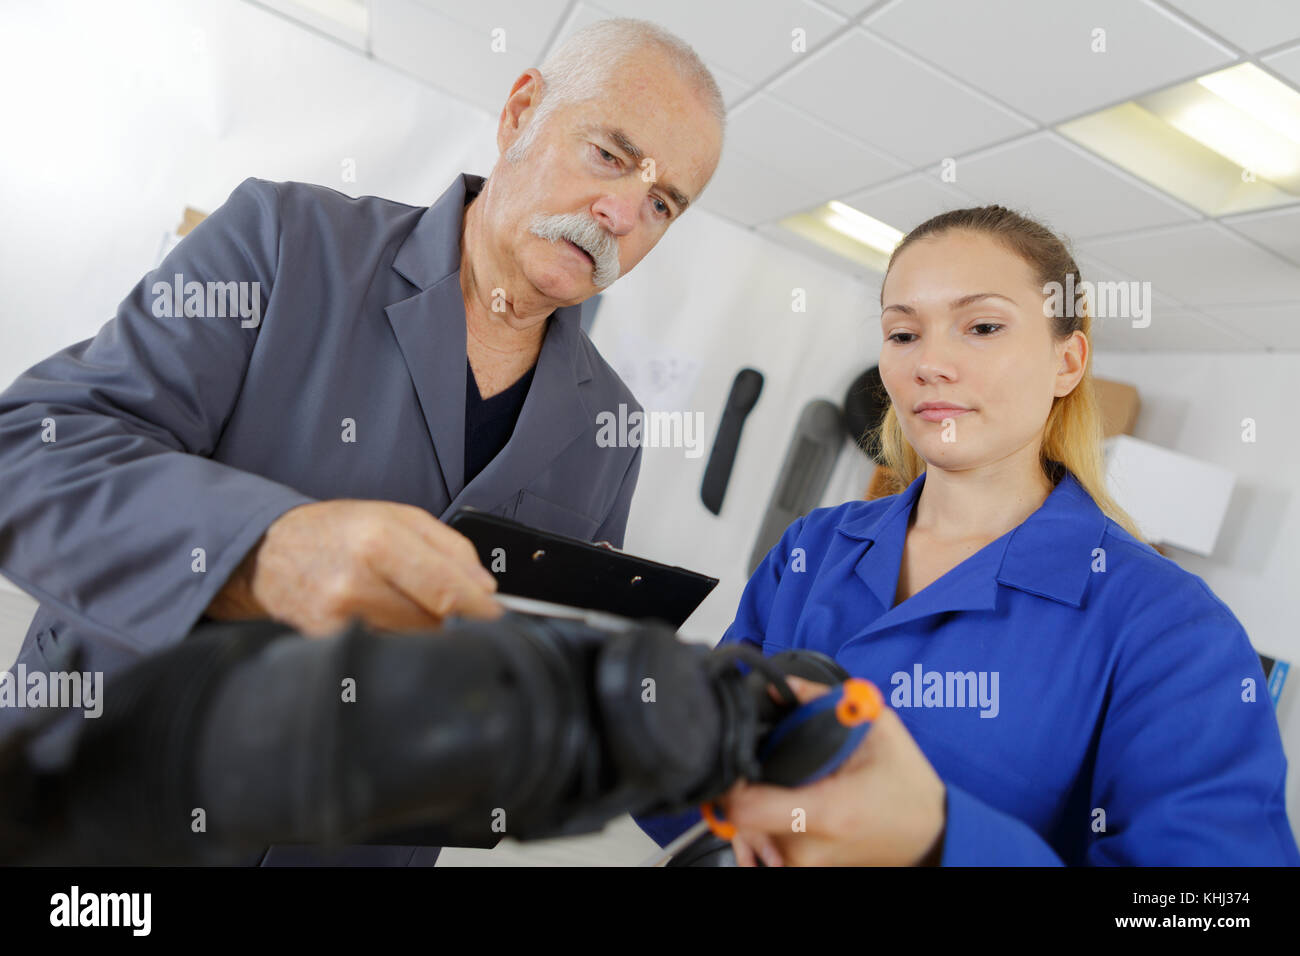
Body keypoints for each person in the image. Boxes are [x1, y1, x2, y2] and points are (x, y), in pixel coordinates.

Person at [0, 17, 723, 865]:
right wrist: (258, 554)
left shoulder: (614, 429)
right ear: (521, 109)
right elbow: (32, 451)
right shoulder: (282, 240)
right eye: (610, 153)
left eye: (663, 201)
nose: (623, 212)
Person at [637, 206, 1300, 866]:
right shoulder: (814, 549)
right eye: (902, 334)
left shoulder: (1173, 630)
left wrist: (938, 840)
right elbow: (699, 803)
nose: (930, 363)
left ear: (1068, 362)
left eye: (981, 326)